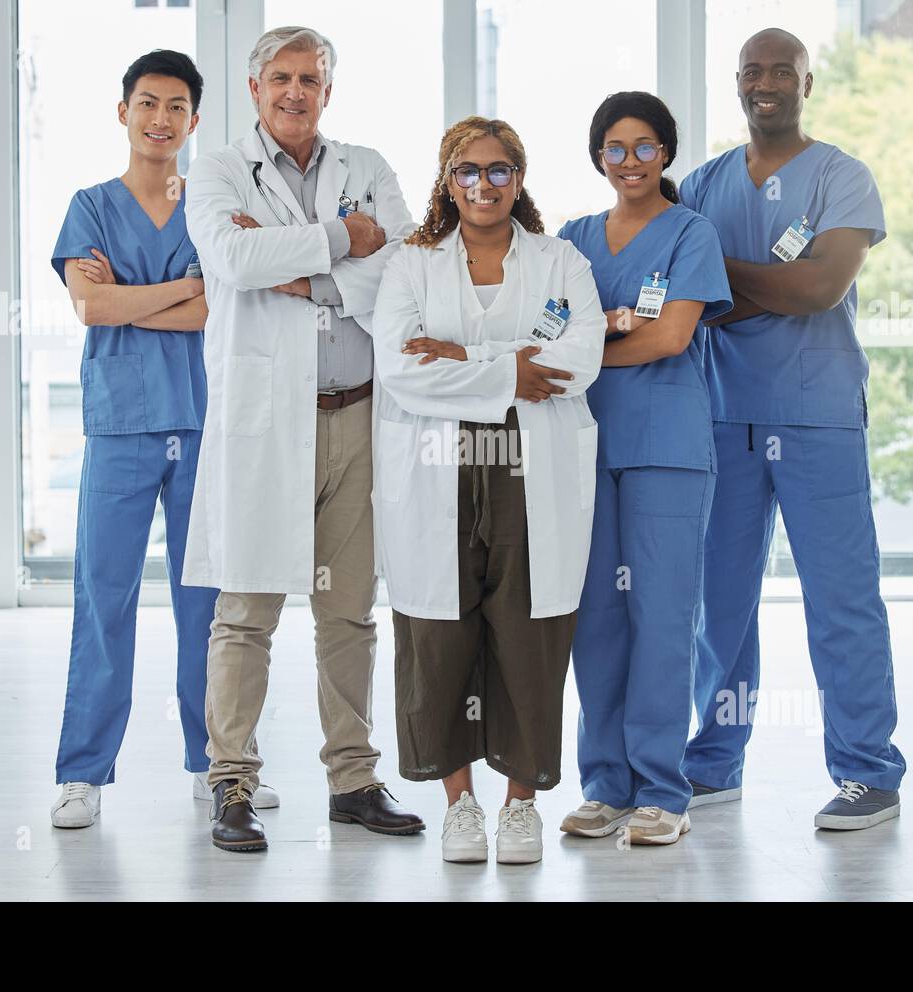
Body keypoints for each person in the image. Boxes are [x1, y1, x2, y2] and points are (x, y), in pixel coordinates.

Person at [181, 25, 421, 853]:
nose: (293, 92)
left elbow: (402, 266)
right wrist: (338, 241)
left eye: (309, 79)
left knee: (348, 612)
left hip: (356, 413)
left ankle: (353, 779)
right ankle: (232, 783)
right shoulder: (214, 170)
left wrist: (296, 270)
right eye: (279, 78)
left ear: (328, 90)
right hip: (266, 417)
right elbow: (228, 255)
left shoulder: (368, 167)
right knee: (245, 608)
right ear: (254, 89)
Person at [679, 28, 907, 830]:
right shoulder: (704, 183)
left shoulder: (842, 177)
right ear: (737, 84)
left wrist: (716, 273)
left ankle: (868, 772)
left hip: (818, 417)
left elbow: (817, 287)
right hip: (722, 414)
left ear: (807, 83)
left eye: (783, 70)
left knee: (842, 599)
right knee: (720, 602)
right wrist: (753, 281)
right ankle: (712, 762)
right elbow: (678, 289)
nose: (765, 82)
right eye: (752, 71)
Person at [372, 117, 606, 864]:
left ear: (519, 178)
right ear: (447, 181)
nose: (484, 184)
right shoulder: (412, 265)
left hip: (531, 468)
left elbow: (580, 358)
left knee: (529, 633)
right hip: (437, 462)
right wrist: (508, 371)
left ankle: (521, 804)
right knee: (439, 635)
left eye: (499, 170)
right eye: (468, 171)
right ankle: (460, 803)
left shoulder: (561, 261)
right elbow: (404, 370)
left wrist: (461, 356)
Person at [49, 50, 254, 829]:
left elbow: (217, 313)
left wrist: (126, 296)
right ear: (123, 112)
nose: (160, 119)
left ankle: (217, 765)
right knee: (105, 595)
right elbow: (90, 310)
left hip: (202, 421)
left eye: (176, 107)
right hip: (122, 422)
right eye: (147, 103)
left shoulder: (210, 207)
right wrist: (178, 289)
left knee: (206, 600)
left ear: (195, 121)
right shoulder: (90, 206)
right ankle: (82, 773)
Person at [557, 93, 731, 845]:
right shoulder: (570, 239)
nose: (630, 161)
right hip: (583, 446)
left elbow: (669, 340)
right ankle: (605, 785)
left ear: (667, 153)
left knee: (661, 616)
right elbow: (541, 330)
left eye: (645, 146)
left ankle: (663, 789)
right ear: (599, 156)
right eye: (616, 148)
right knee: (594, 615)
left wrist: (586, 351)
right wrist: (590, 339)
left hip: (666, 448)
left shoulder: (692, 232)